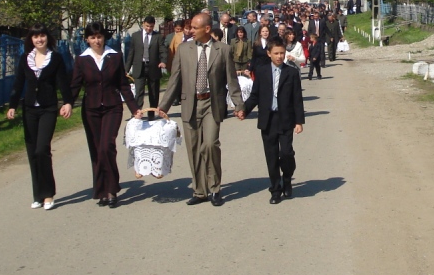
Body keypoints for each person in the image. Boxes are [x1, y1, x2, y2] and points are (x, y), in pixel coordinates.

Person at [158, 13, 243, 207]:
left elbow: (231, 80)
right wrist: (163, 107)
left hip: (211, 104)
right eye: (190, 28)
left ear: (206, 29)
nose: (190, 31)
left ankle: (215, 188)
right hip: (191, 104)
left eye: (195, 28)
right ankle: (200, 191)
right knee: (194, 148)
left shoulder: (223, 49)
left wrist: (238, 105)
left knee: (210, 144)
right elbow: (174, 80)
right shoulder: (183, 49)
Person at [69, 22, 142, 208]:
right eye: (93, 37)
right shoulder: (82, 59)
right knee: (96, 150)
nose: (97, 41)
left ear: (104, 38)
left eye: (99, 37)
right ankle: (101, 190)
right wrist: (68, 103)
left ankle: (111, 189)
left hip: (112, 107)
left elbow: (123, 85)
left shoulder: (115, 57)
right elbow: (75, 84)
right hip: (91, 109)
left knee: (106, 147)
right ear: (87, 39)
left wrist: (134, 108)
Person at [6, 24, 73, 211]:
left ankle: (48, 194)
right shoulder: (24, 59)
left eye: (42, 36)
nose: (39, 39)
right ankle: (37, 194)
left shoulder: (56, 58)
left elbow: (62, 82)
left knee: (42, 149)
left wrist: (67, 102)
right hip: (29, 110)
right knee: (31, 152)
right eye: (35, 36)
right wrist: (12, 105)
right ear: (31, 39)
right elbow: (18, 82)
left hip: (48, 109)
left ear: (47, 38)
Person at [237, 38, 305, 204]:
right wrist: (244, 110)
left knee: (286, 153)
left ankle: (287, 178)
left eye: (282, 53)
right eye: (276, 53)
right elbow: (255, 95)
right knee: (272, 156)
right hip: (268, 119)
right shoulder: (261, 71)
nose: (279, 56)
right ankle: (275, 189)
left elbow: (297, 98)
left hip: (286, 119)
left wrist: (299, 121)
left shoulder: (292, 73)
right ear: (269, 54)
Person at [125, 15, 166, 109]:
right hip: (139, 67)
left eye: (151, 26)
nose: (149, 28)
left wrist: (163, 61)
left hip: (153, 67)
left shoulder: (158, 37)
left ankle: (152, 113)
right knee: (139, 91)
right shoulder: (136, 36)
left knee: (154, 92)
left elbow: (163, 50)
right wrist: (126, 69)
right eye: (147, 26)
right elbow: (131, 53)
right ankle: (137, 113)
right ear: (143, 24)